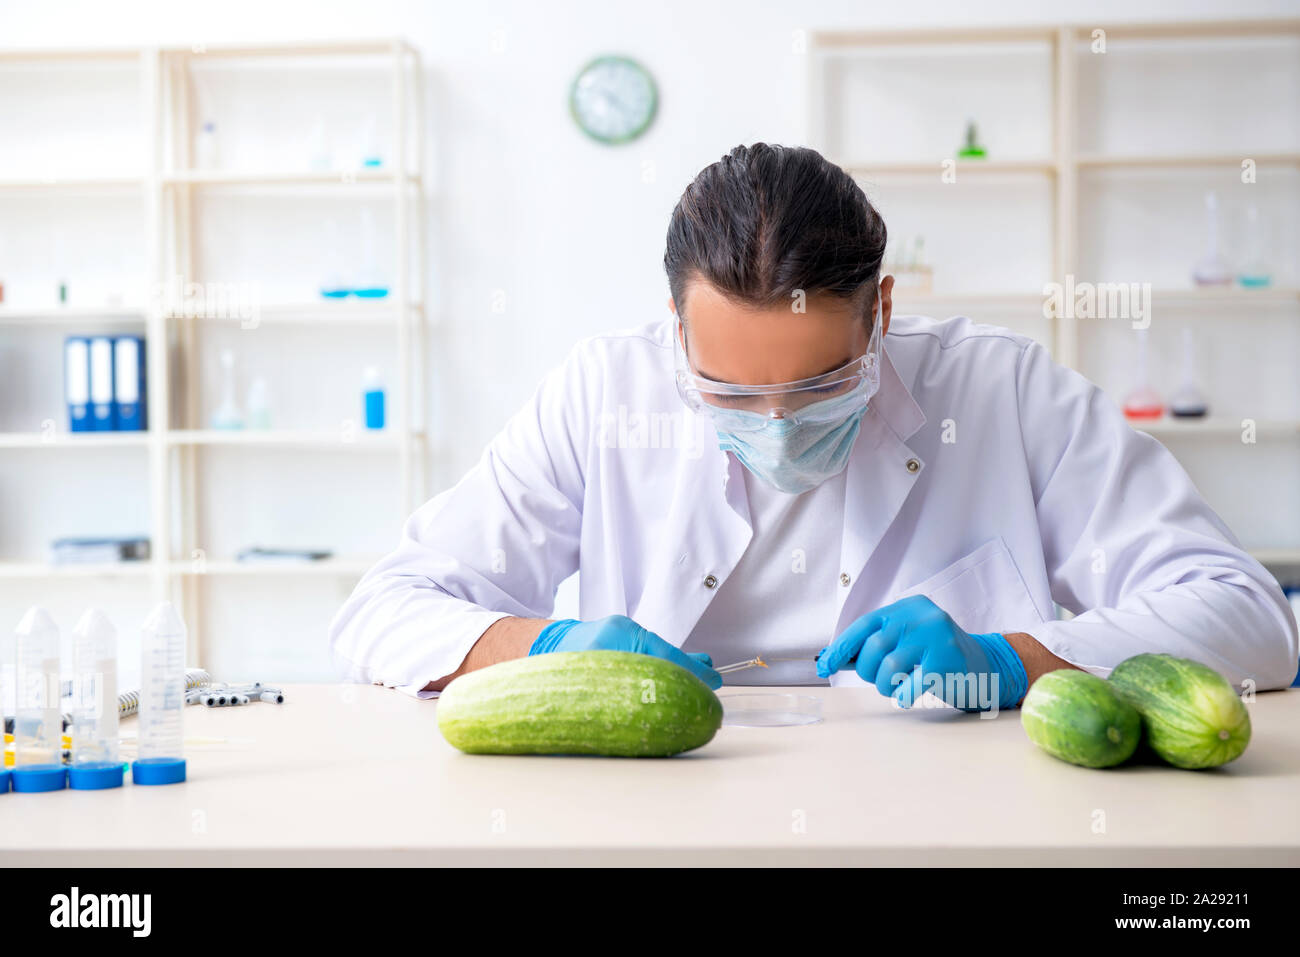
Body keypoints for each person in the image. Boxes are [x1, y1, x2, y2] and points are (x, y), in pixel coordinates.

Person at [329, 142, 1298, 712]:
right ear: (677, 333)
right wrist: (548, 649)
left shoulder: (1005, 395)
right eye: (731, 393)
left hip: (952, 827)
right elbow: (381, 614)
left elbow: (1252, 621)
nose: (779, 427)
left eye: (821, 382)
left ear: (880, 313)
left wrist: (1013, 661)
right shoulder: (601, 395)